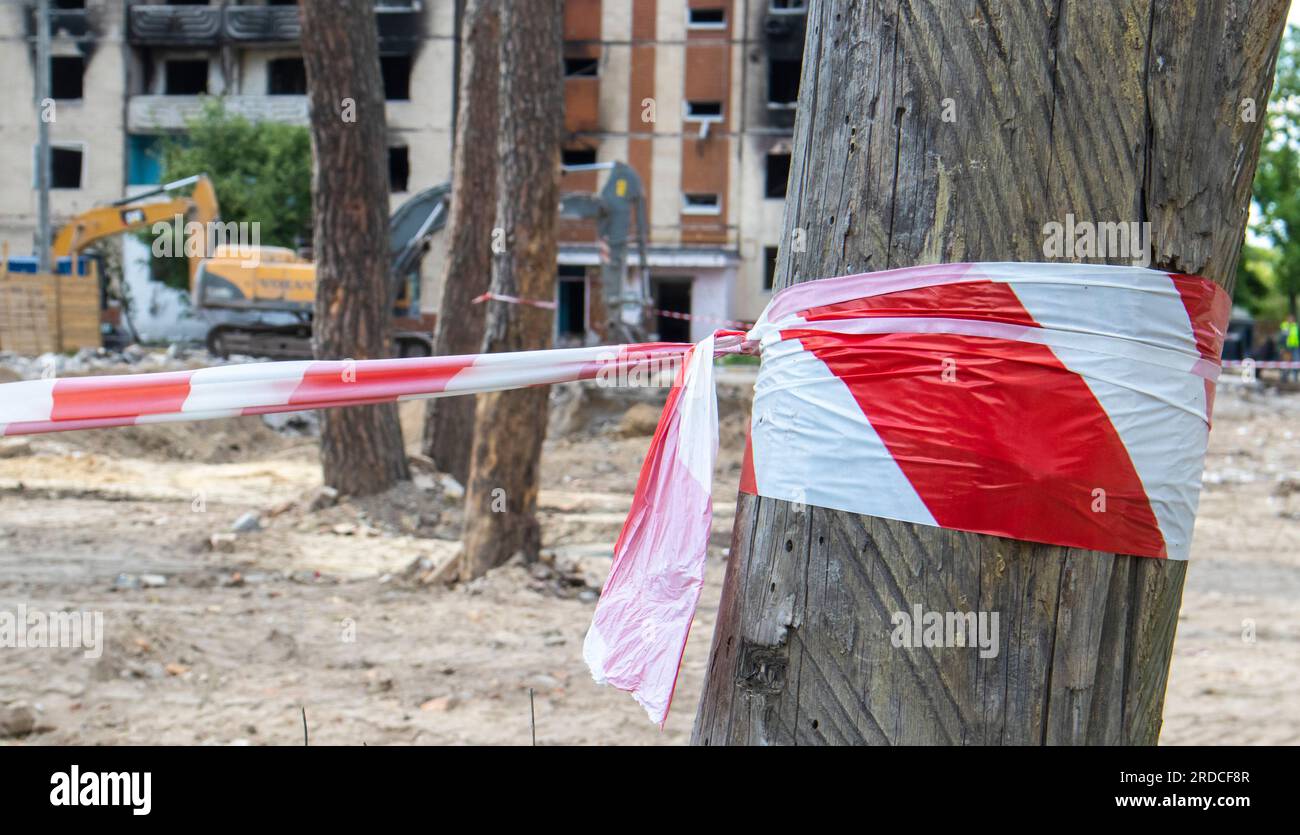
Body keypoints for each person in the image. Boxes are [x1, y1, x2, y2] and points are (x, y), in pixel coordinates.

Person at [1281, 314, 1299, 383]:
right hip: (1286, 348)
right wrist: (1282, 347)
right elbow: (1282, 337)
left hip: (1295, 347)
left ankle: (1295, 379)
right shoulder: (1284, 326)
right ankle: (1284, 378)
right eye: (1289, 318)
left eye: (1292, 319)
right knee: (1286, 363)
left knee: (1296, 362)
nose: (1291, 320)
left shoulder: (1296, 326)